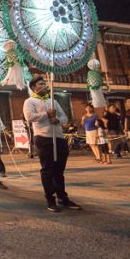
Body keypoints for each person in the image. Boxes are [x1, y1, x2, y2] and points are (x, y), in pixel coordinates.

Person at [23, 76, 81, 212]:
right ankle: (50, 199)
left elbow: (64, 117)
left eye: (44, 83)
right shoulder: (30, 101)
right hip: (43, 138)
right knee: (47, 169)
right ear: (34, 87)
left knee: (59, 170)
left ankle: (62, 197)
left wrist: (57, 120)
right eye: (41, 84)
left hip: (59, 137)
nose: (44, 85)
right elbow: (30, 117)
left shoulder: (52, 101)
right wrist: (46, 114)